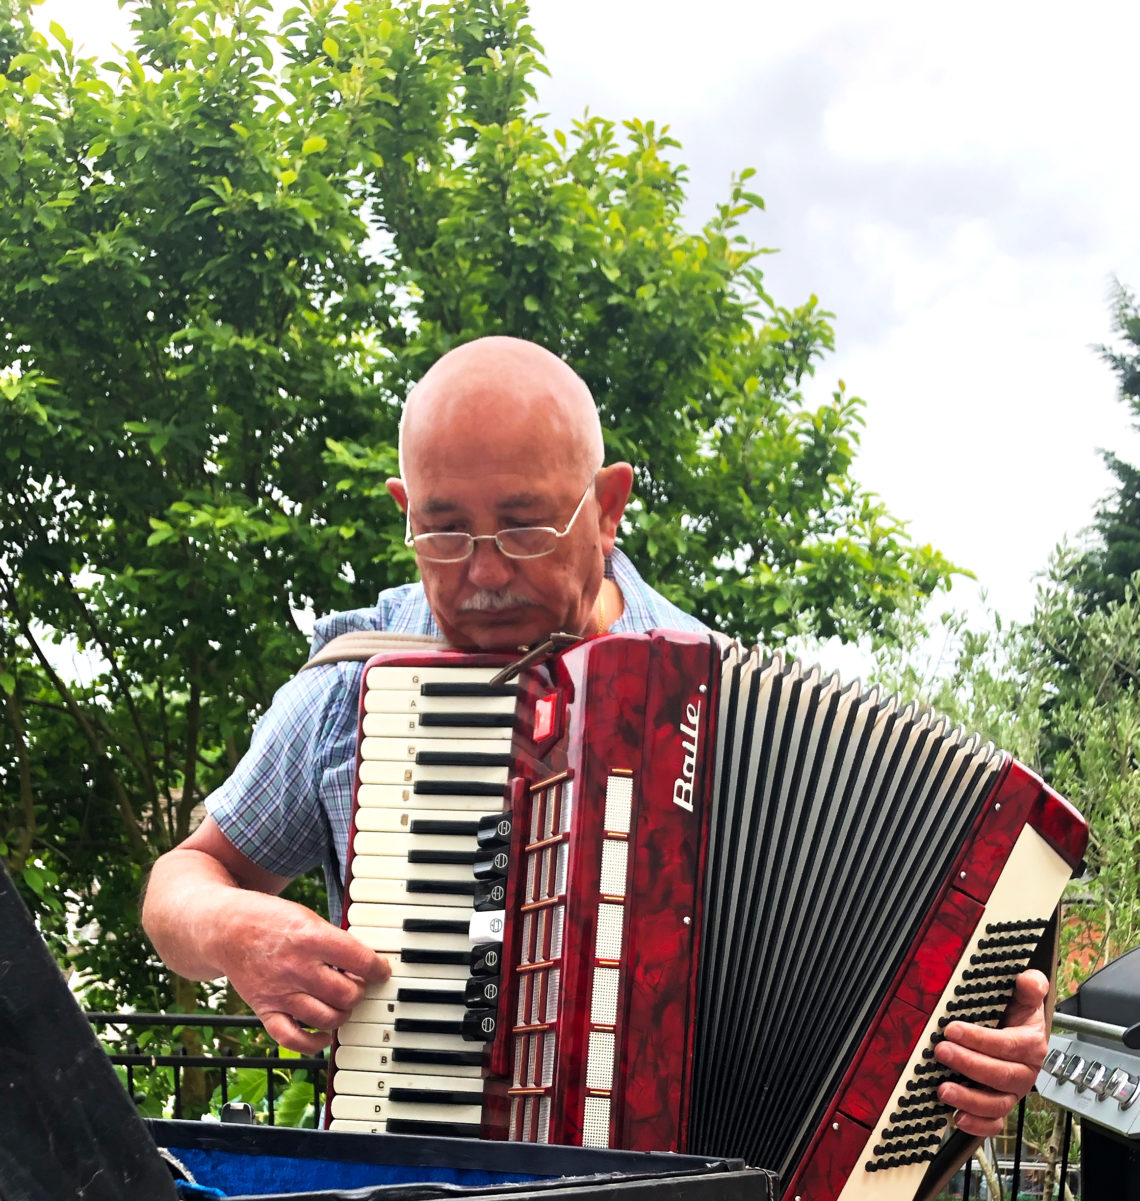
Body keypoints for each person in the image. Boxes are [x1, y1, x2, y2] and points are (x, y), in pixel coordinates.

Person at [142, 335, 1050, 1141]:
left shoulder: (728, 699)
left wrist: (978, 1059)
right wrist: (232, 929)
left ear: (607, 507)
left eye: (527, 524)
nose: (485, 572)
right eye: (445, 529)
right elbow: (181, 880)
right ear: (404, 509)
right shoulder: (353, 684)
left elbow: (888, 1022)